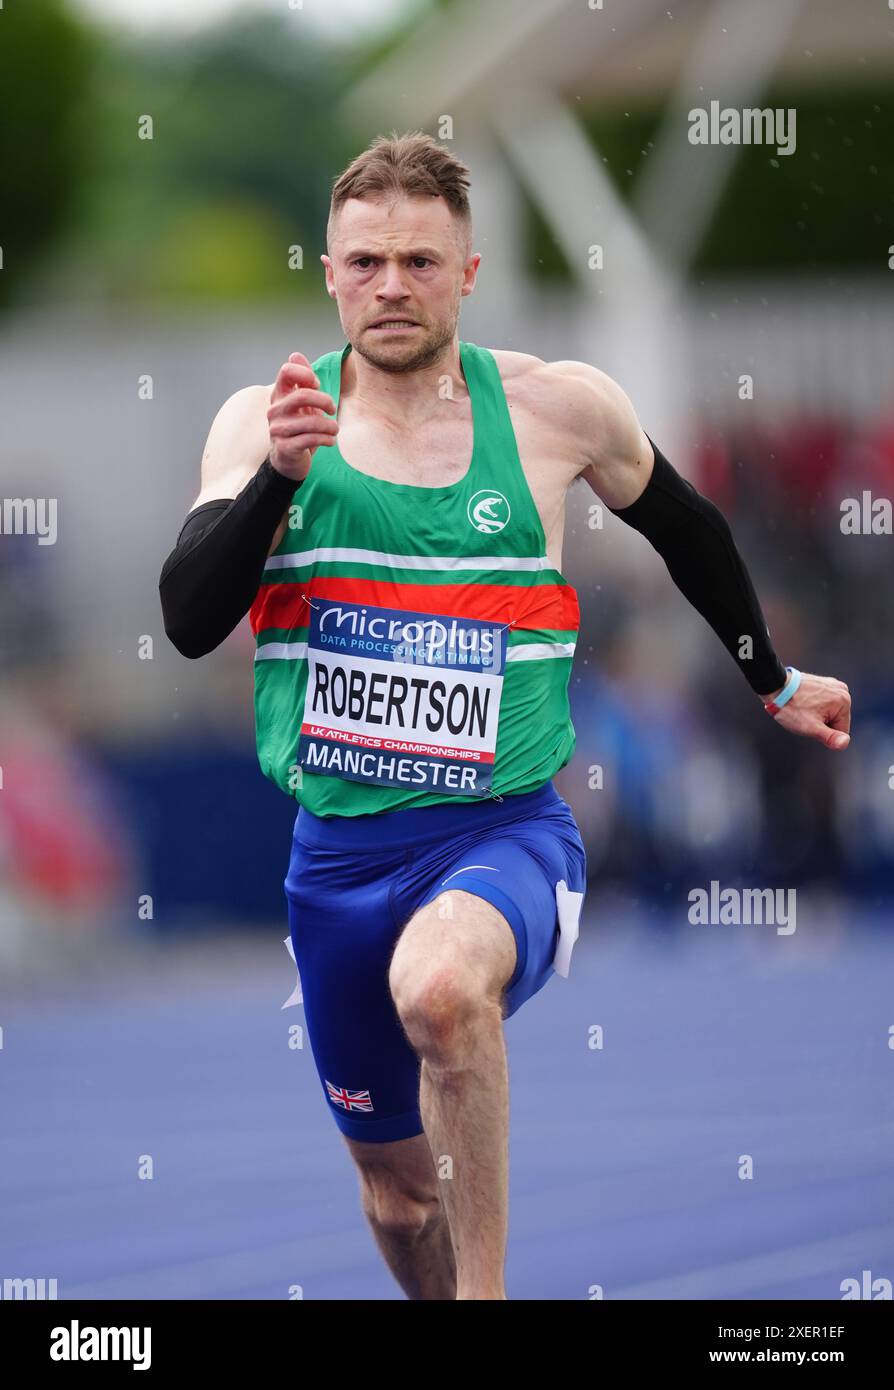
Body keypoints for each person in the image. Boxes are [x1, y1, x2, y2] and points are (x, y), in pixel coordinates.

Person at [158, 131, 852, 1301]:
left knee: (442, 989)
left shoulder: (557, 411)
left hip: (503, 830)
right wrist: (278, 478)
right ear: (328, 272)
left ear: (467, 276)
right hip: (336, 859)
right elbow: (185, 619)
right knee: (397, 1194)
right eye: (367, 261)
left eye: (421, 262)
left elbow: (688, 530)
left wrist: (771, 678)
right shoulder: (263, 424)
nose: (392, 285)